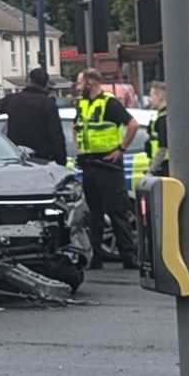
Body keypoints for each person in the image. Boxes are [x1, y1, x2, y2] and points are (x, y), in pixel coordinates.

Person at [74, 68, 139, 269]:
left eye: (79, 83)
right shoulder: (83, 104)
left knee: (117, 213)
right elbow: (76, 127)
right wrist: (79, 150)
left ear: (90, 83)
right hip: (89, 165)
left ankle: (129, 258)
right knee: (94, 215)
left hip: (108, 166)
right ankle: (97, 258)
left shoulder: (110, 103)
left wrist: (121, 149)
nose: (77, 87)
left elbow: (133, 125)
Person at [0, 67, 66, 165]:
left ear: (29, 81)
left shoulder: (11, 100)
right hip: (41, 160)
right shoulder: (48, 104)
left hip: (15, 158)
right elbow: (56, 136)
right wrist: (61, 162)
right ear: (46, 84)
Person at [145, 81, 168, 176]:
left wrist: (151, 170)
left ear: (159, 97)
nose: (150, 100)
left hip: (165, 167)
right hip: (162, 165)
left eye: (151, 96)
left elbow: (163, 148)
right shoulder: (160, 116)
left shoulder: (164, 119)